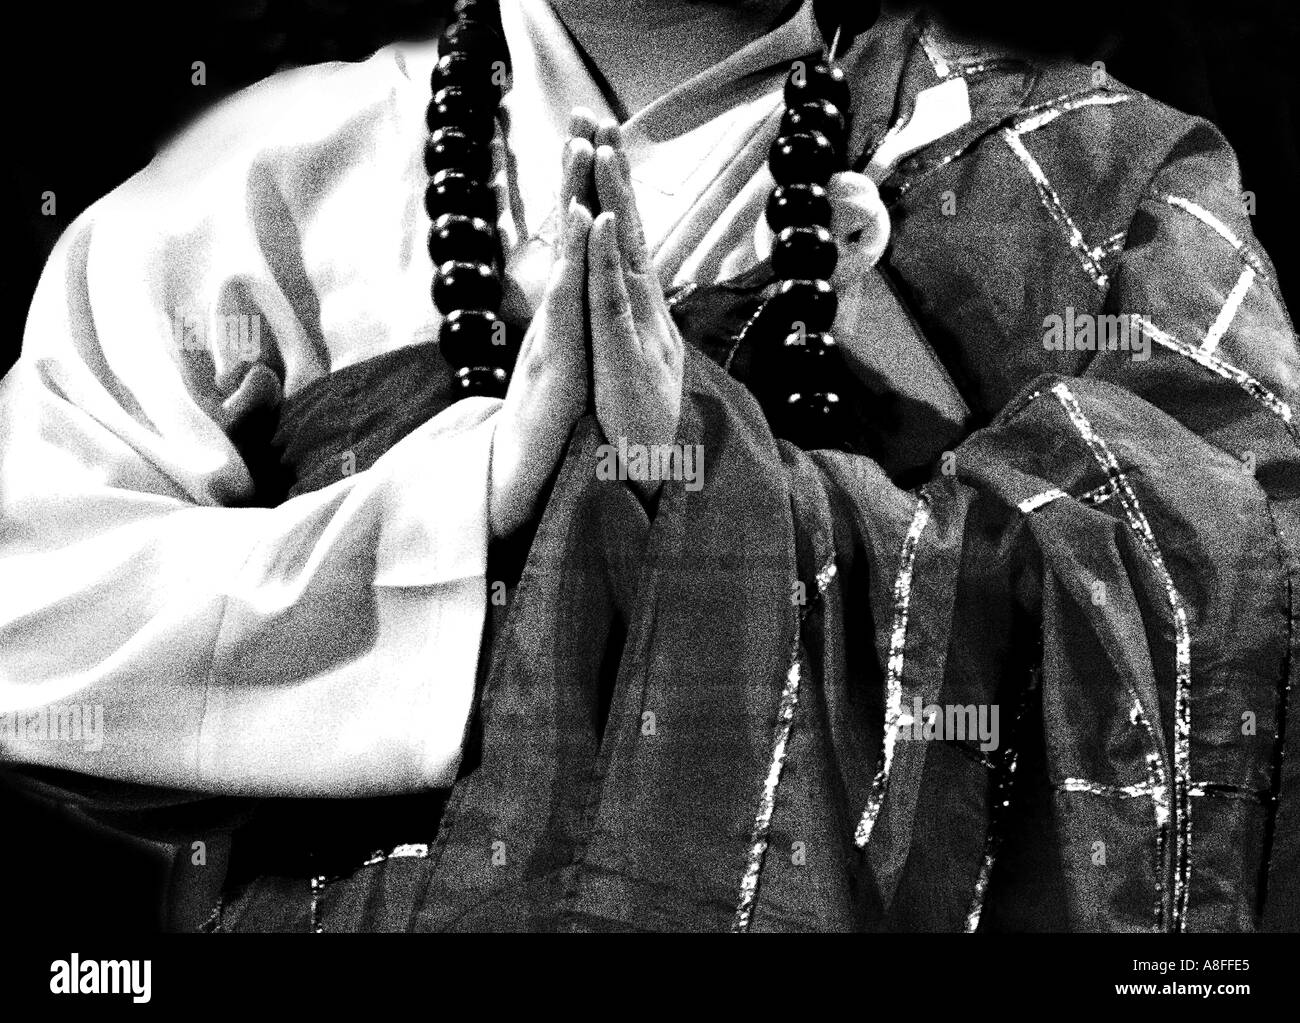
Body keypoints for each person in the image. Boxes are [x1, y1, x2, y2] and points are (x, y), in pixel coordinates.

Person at [1, 0, 1296, 932]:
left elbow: (1241, 614)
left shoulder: (1072, 177)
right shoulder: (269, 183)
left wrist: (741, 498)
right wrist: (471, 502)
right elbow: (27, 616)